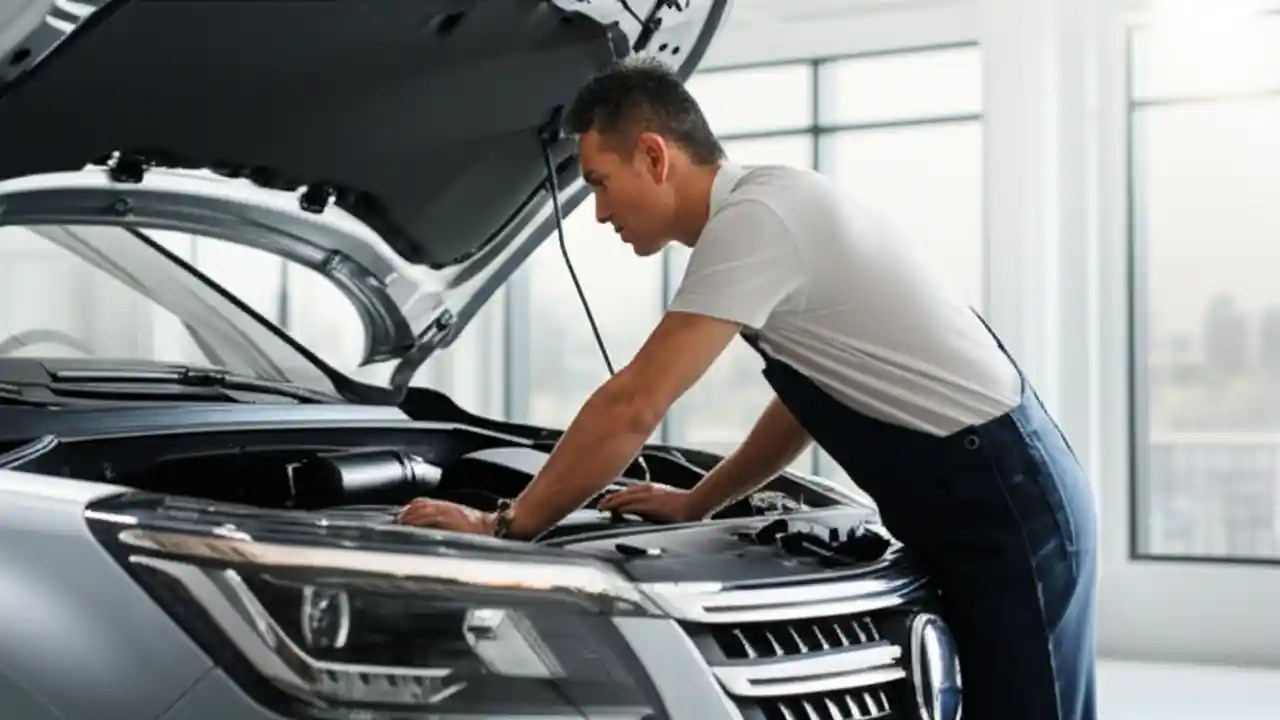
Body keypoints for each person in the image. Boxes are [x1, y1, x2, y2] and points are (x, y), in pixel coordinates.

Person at [395, 57, 1098, 720]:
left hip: (1006, 498)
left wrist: (505, 527)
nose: (600, 213)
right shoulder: (767, 211)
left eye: (600, 182)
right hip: (989, 489)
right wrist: (700, 501)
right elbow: (806, 400)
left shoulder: (758, 222)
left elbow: (635, 402)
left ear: (653, 155)